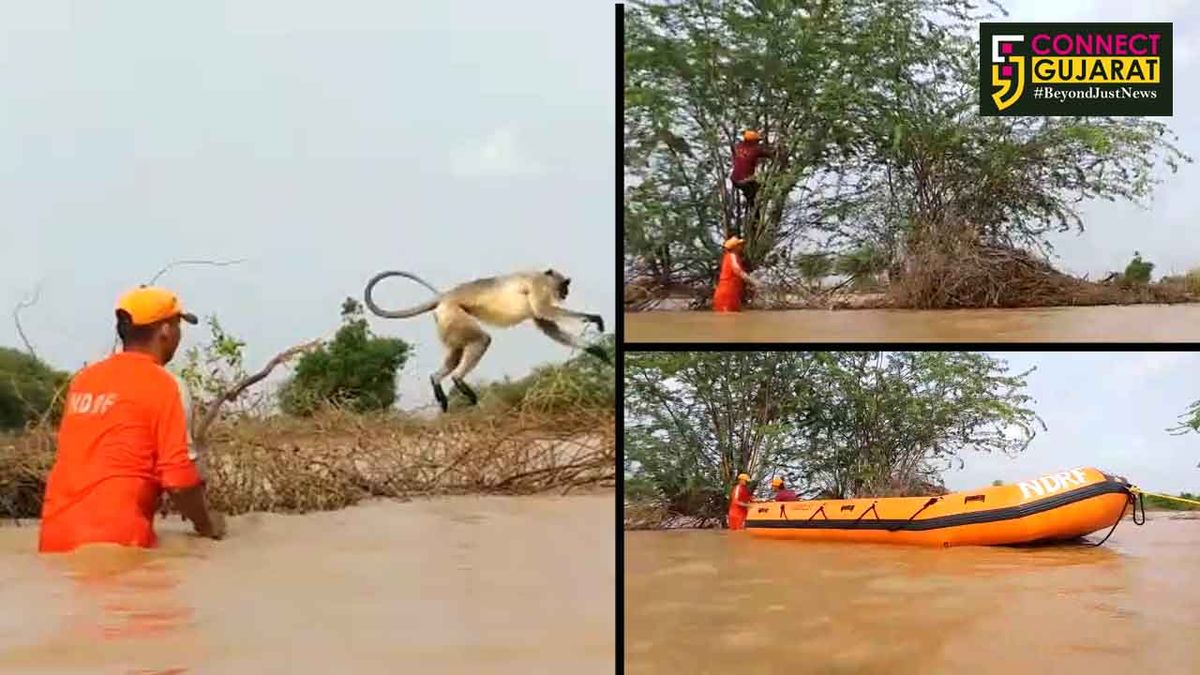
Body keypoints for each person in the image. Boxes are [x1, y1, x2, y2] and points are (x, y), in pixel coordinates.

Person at [38, 286, 226, 553]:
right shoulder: (167, 385)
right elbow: (180, 481)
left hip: (54, 540)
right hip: (119, 542)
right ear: (165, 330)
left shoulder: (83, 380)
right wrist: (208, 526)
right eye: (178, 325)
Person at [730, 129, 777, 223]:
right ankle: (756, 221)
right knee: (755, 199)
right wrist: (775, 152)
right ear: (752, 142)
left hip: (735, 180)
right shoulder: (755, 150)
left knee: (754, 189)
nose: (758, 143)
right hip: (745, 181)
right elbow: (770, 154)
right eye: (756, 141)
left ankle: (750, 205)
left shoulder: (738, 147)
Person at [713, 236, 763, 312]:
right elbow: (737, 270)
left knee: (731, 317)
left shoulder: (730, 257)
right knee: (729, 318)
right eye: (739, 245)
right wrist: (753, 281)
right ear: (734, 247)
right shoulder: (732, 256)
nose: (741, 247)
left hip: (730, 291)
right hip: (728, 291)